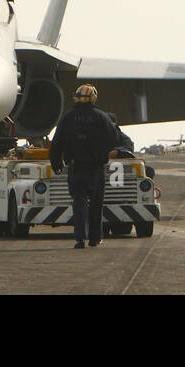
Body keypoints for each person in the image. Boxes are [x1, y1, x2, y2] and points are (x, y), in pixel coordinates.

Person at [49, 84, 119, 248]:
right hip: (96, 169)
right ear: (93, 98)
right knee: (96, 204)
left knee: (79, 203)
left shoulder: (67, 118)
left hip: (76, 168)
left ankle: (80, 239)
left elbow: (57, 142)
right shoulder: (102, 117)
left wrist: (56, 163)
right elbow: (114, 139)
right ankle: (95, 238)